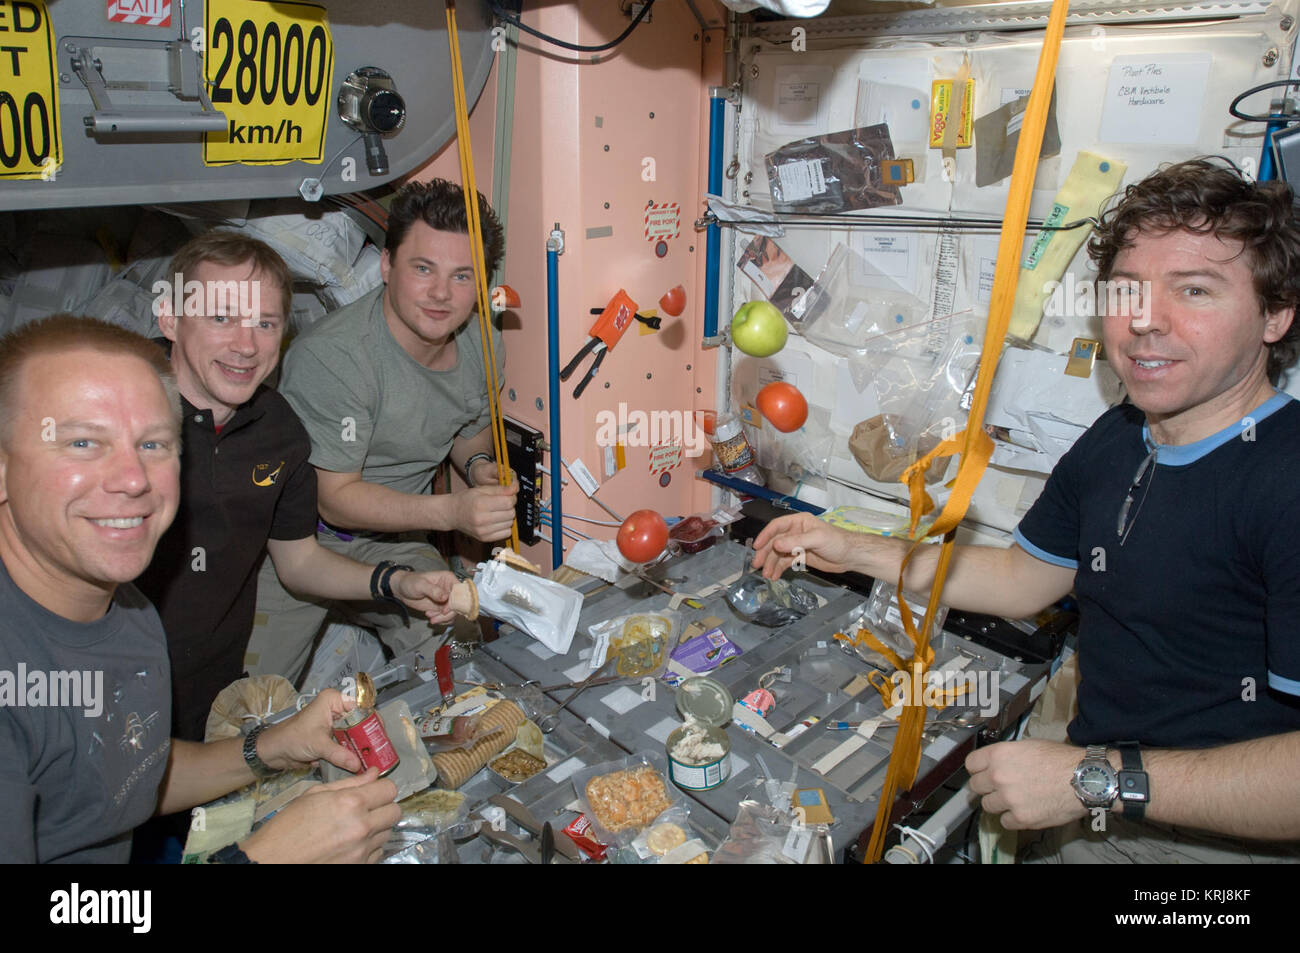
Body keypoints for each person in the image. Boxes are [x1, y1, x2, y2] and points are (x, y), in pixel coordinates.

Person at [752, 158, 1300, 861]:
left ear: (1276, 314)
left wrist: (1096, 780)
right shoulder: (1119, 435)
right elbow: (1020, 577)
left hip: (1221, 839)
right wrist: (858, 549)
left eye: (1194, 290)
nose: (1143, 321)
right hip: (1103, 792)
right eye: (1126, 289)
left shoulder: (1283, 477)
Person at [0, 315, 404, 863]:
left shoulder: (127, 609)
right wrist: (263, 859)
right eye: (81, 442)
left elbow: (124, 776)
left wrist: (272, 748)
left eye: (153, 444)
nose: (133, 478)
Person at [134, 231, 459, 746]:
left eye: (265, 323)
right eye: (222, 318)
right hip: (114, 684)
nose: (246, 345)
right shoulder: (112, 407)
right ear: (170, 317)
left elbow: (300, 562)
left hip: (210, 690)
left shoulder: (278, 431)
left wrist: (394, 583)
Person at [246, 179, 517, 685]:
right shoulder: (335, 357)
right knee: (251, 714)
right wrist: (453, 512)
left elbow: (467, 430)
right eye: (423, 269)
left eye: (463, 276)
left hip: (396, 542)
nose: (441, 294)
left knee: (466, 666)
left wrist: (481, 470)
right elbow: (335, 499)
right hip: (300, 545)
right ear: (388, 265)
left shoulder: (484, 343)